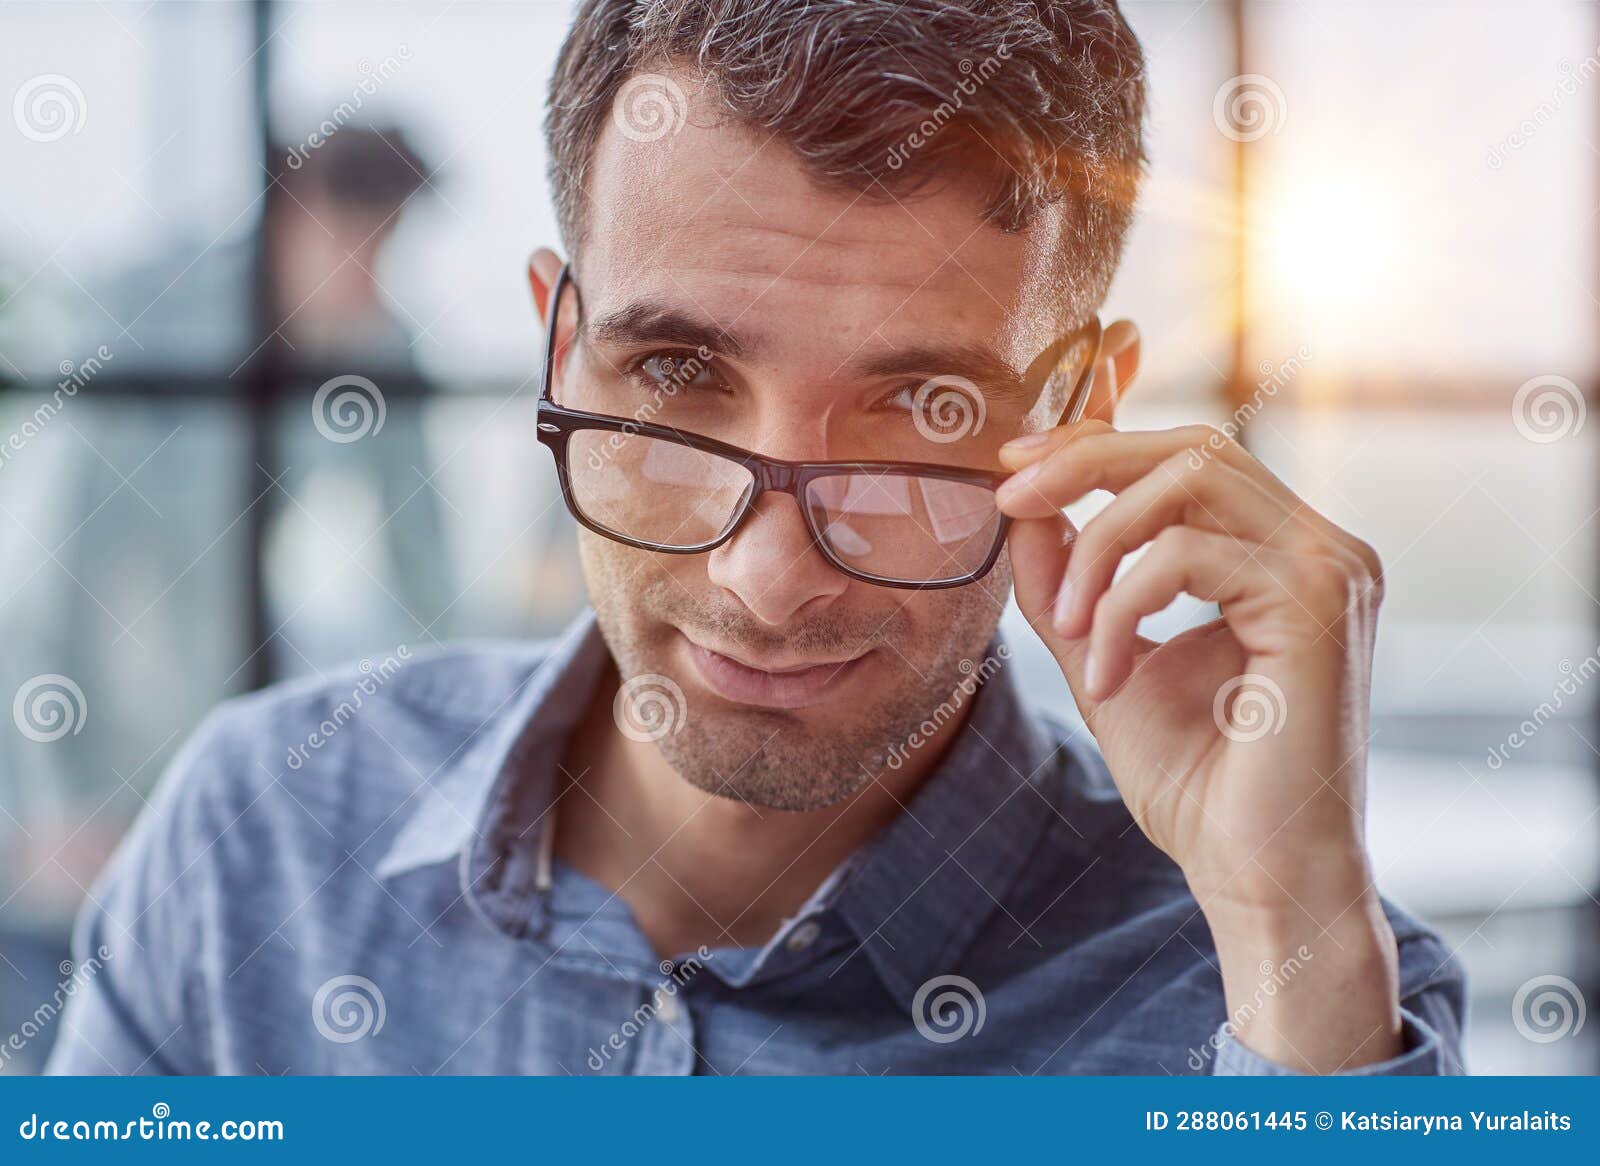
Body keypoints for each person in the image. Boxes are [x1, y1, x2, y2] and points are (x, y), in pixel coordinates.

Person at [47, 0, 1464, 1075]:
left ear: (1079, 413)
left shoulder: (1306, 997)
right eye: (674, 375)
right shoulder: (254, 841)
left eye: (923, 407)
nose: (767, 580)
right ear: (558, 353)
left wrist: (1290, 941)